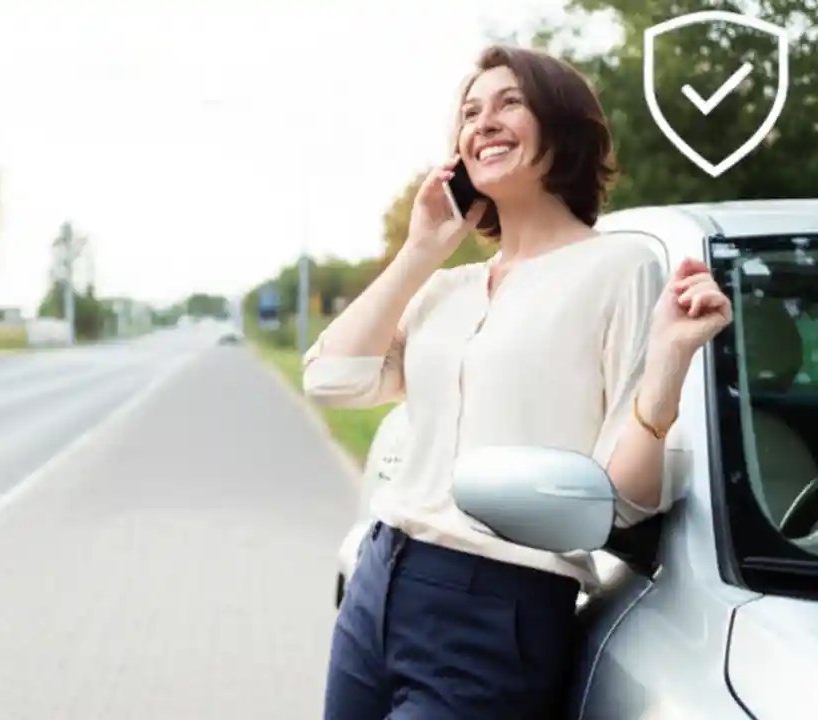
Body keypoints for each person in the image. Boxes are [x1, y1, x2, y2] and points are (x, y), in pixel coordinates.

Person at [303, 45, 733, 719]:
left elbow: (626, 499)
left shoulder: (619, 268)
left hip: (497, 607)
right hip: (377, 585)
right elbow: (331, 378)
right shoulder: (446, 287)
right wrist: (422, 247)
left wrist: (668, 368)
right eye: (470, 113)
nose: (484, 123)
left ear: (561, 125)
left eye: (510, 103)